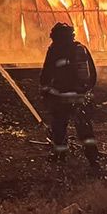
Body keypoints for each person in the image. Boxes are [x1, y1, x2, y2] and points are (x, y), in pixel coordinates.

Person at [39, 21, 100, 167]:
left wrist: (46, 91)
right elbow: (92, 74)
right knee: (85, 131)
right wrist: (85, 91)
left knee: (59, 130)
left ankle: (60, 157)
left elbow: (46, 74)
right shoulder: (81, 49)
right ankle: (93, 159)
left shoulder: (55, 49)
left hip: (61, 100)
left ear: (54, 37)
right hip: (80, 98)